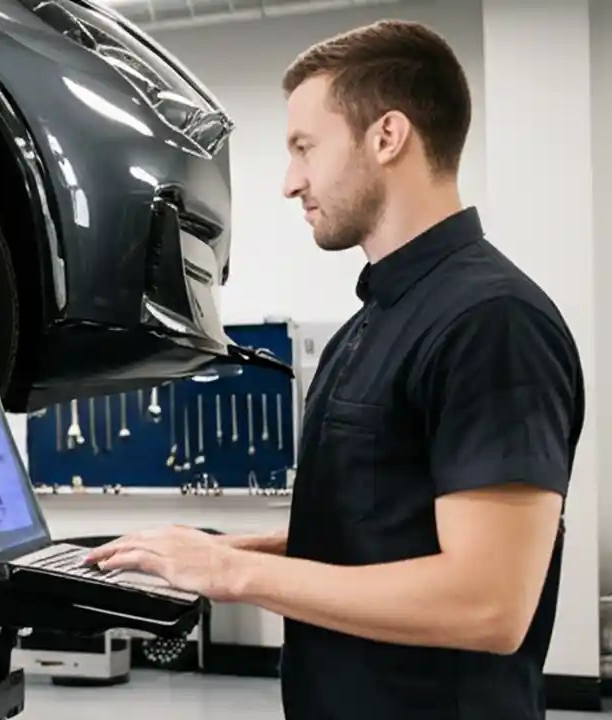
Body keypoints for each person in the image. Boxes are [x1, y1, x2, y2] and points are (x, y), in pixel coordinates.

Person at [84, 18, 584, 720]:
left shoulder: (491, 321)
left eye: (303, 149)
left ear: (387, 137)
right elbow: (389, 520)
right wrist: (219, 548)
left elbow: (489, 603)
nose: (291, 183)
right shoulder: (373, 322)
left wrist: (235, 573)